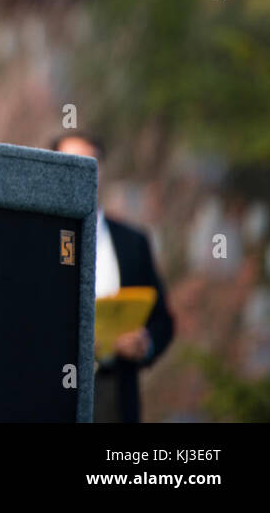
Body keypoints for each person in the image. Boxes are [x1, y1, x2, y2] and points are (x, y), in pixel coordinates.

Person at [52, 131, 174, 422]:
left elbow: (163, 321)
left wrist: (145, 343)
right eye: (70, 162)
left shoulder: (133, 242)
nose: (80, 171)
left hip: (114, 392)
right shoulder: (37, 239)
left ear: (102, 170)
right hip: (53, 390)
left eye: (89, 162)